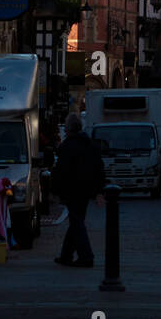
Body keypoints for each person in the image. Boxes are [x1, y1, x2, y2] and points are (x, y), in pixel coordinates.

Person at [50, 112, 106, 268]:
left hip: (72, 189)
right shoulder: (90, 145)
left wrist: (55, 190)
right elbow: (99, 168)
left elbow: (60, 171)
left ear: (68, 129)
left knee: (76, 222)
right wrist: (99, 191)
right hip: (85, 189)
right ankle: (66, 255)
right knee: (76, 221)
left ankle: (86, 256)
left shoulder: (67, 147)